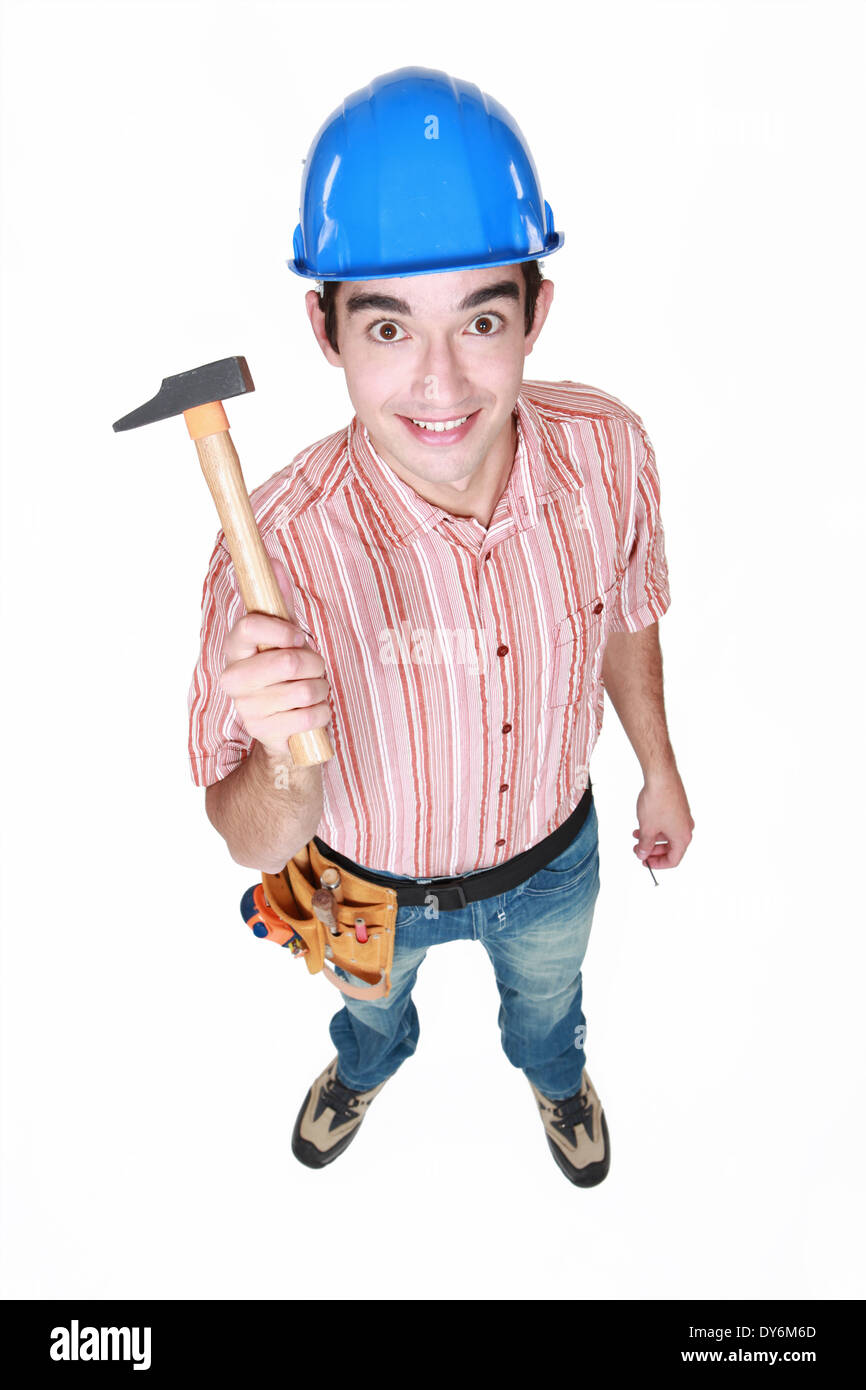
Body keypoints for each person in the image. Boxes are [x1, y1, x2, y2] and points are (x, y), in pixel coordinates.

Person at [188, 67, 694, 1187]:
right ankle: (366, 1064)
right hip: (357, 891)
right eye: (387, 325)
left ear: (534, 314)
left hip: (553, 864)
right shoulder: (268, 555)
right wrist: (281, 753)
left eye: (480, 319)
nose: (439, 382)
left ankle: (555, 1077)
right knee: (368, 1016)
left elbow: (626, 615)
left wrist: (658, 769)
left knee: (549, 1012)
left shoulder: (610, 452)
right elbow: (249, 841)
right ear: (325, 329)